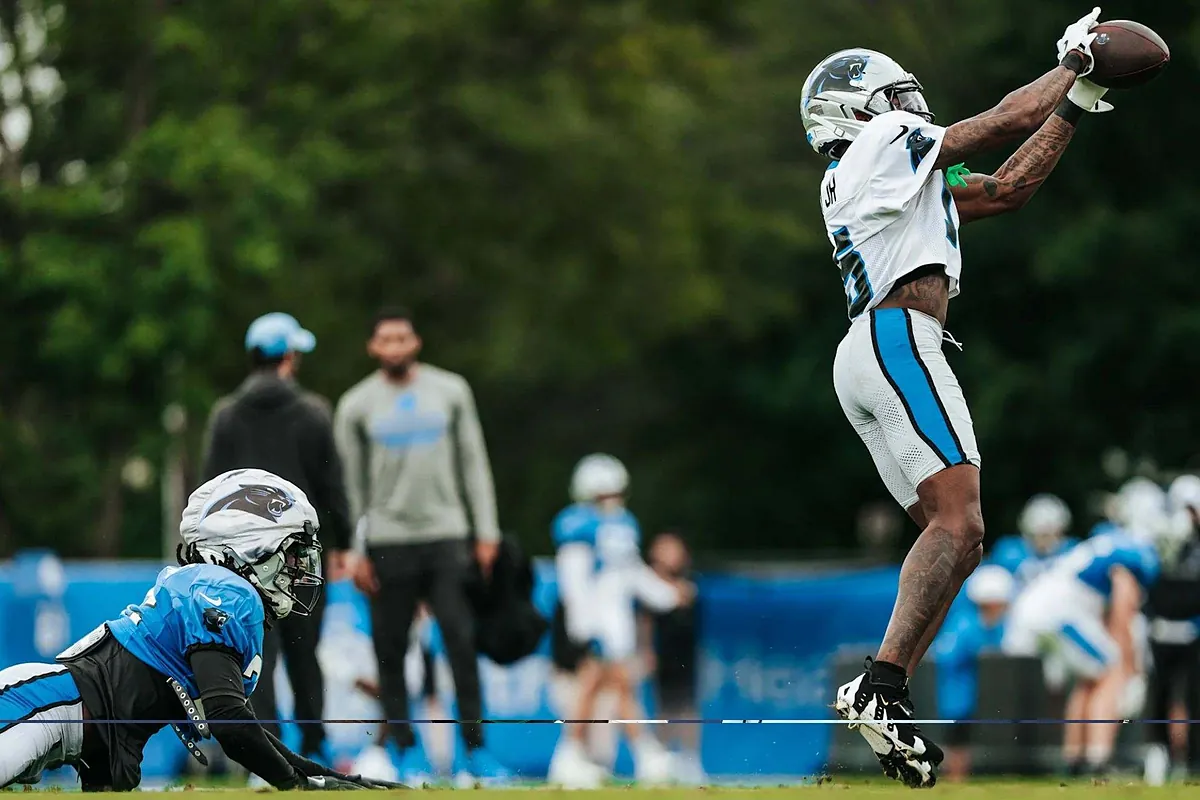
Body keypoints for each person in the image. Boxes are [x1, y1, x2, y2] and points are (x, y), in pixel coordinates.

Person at [800, 8, 1113, 786]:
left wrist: (1075, 105)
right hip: (897, 336)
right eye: (892, 94)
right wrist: (1075, 62)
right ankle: (880, 686)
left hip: (874, 349)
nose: (908, 105)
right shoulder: (878, 145)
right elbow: (1000, 122)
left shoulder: (883, 175)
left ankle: (886, 688)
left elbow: (1004, 189)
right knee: (962, 519)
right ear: (856, 111)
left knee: (959, 541)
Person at [0, 468, 400, 791]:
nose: (298, 568)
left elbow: (240, 721)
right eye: (292, 553)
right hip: (43, 709)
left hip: (75, 725)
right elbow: (228, 721)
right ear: (251, 546)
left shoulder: (215, 589)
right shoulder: (225, 591)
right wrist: (296, 786)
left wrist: (326, 776)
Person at [333, 307, 507, 785]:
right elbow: (349, 486)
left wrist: (485, 530)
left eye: (403, 338)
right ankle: (405, 753)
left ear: (416, 343)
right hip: (388, 541)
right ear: (373, 348)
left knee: (460, 642)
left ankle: (476, 752)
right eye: (386, 340)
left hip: (447, 534)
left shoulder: (450, 391)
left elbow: (474, 462)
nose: (395, 347)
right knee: (390, 650)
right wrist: (353, 549)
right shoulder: (356, 404)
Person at [201, 312, 352, 763]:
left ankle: (263, 750)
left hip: (241, 559)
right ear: (288, 356)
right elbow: (332, 487)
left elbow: (211, 489)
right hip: (298, 557)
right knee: (306, 653)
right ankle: (313, 744)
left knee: (254, 653)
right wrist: (342, 544)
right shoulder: (313, 412)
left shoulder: (226, 415)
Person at [547, 454, 691, 788]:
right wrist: (585, 628)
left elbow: (632, 573)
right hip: (596, 626)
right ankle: (573, 755)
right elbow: (574, 583)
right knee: (594, 686)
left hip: (615, 627)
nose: (613, 501)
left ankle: (642, 754)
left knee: (621, 687)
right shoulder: (577, 526)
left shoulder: (622, 526)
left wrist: (668, 595)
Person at [1003, 508, 1164, 776]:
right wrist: (1131, 665)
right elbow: (1123, 609)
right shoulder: (1131, 554)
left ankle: (1075, 758)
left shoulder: (1102, 546)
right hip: (1057, 614)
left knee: (1090, 678)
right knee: (1112, 670)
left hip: (1039, 612)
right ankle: (1099, 759)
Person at [930, 565, 1013, 782]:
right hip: (958, 697)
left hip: (968, 697)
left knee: (961, 741)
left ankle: (957, 779)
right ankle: (954, 780)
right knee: (957, 742)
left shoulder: (981, 625)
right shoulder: (968, 626)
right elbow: (947, 656)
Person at [1143, 475, 1200, 785]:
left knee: (1195, 695)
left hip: (1195, 631)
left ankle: (1193, 760)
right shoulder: (1157, 533)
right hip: (1162, 629)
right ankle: (1159, 754)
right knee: (1160, 695)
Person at [643, 531, 705, 784]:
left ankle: (691, 760)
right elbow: (645, 621)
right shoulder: (648, 584)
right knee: (664, 708)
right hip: (662, 654)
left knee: (688, 706)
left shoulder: (690, 581)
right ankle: (661, 759)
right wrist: (646, 650)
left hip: (686, 653)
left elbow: (688, 601)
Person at [989, 494, 1077, 590]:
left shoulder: (1073, 551)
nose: (1045, 541)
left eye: (1051, 534)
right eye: (1042, 535)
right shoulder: (1009, 551)